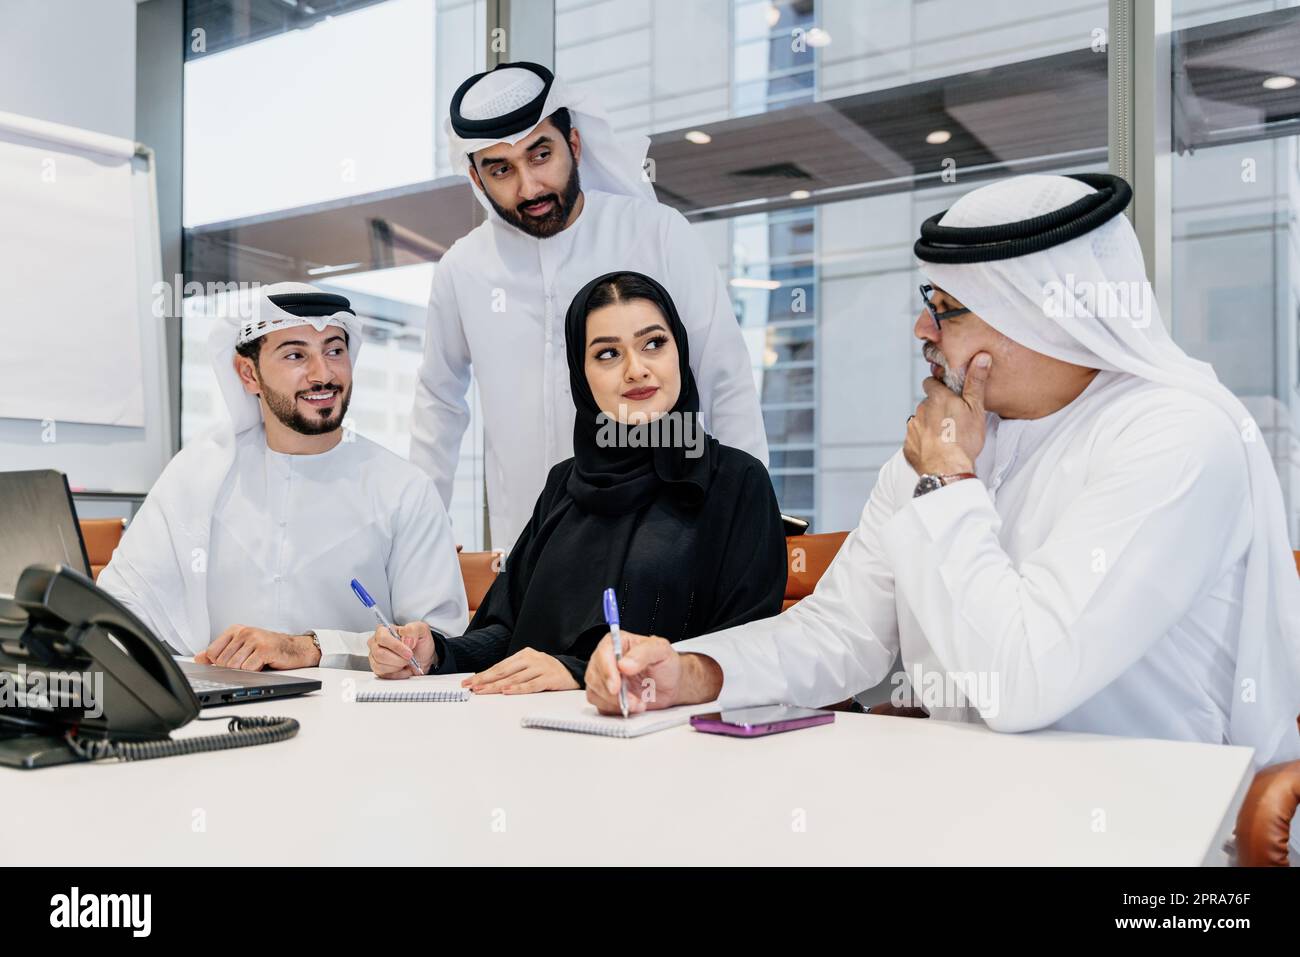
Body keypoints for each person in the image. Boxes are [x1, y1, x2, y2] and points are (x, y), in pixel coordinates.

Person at [585, 174, 1300, 776]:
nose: (922, 332)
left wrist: (949, 480)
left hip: (1157, 836)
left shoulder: (1174, 436)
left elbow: (1024, 681)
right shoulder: (949, 434)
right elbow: (841, 633)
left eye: (947, 311)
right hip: (971, 806)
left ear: (1041, 318)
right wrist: (693, 669)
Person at [369, 271, 786, 693]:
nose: (637, 370)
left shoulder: (736, 482)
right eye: (608, 354)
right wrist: (435, 654)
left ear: (680, 350)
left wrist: (573, 672)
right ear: (580, 375)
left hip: (667, 742)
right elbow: (507, 631)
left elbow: (743, 654)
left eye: (654, 344)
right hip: (534, 733)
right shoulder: (564, 484)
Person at [410, 60, 767, 551]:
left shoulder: (656, 233)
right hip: (528, 539)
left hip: (665, 534)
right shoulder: (461, 268)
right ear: (476, 177)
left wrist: (751, 517)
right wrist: (422, 533)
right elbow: (439, 403)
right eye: (501, 170)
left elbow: (725, 380)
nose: (529, 187)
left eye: (541, 155)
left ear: (573, 145)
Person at [99, 283, 468, 669]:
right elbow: (121, 607)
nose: (322, 374)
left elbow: (438, 645)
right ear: (249, 374)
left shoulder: (405, 490)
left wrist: (311, 648)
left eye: (335, 351)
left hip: (360, 719)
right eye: (296, 354)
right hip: (222, 713)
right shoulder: (196, 475)